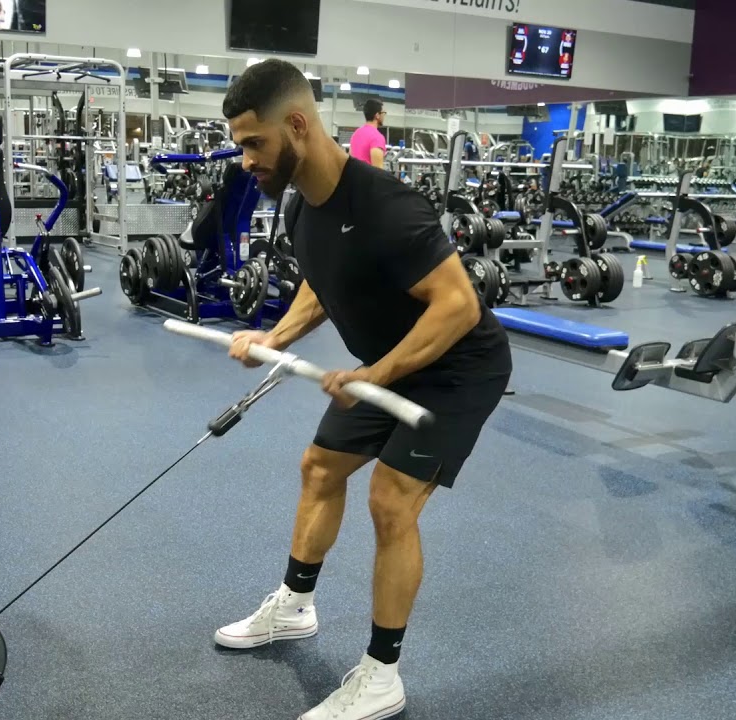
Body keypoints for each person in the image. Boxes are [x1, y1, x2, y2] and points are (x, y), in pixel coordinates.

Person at [216, 59, 513, 720]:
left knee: (391, 501)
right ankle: (295, 606)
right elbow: (320, 279)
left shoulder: (385, 206)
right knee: (320, 467)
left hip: (458, 369)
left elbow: (459, 305)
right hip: (389, 364)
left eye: (254, 142)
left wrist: (374, 376)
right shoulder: (301, 203)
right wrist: (274, 337)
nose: (246, 160)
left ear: (297, 125)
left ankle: (382, 675)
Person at [348, 98, 387, 169]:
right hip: (367, 176)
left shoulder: (356, 133)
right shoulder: (377, 137)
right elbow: (378, 171)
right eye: (383, 113)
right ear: (377, 115)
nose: (384, 115)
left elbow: (351, 159)